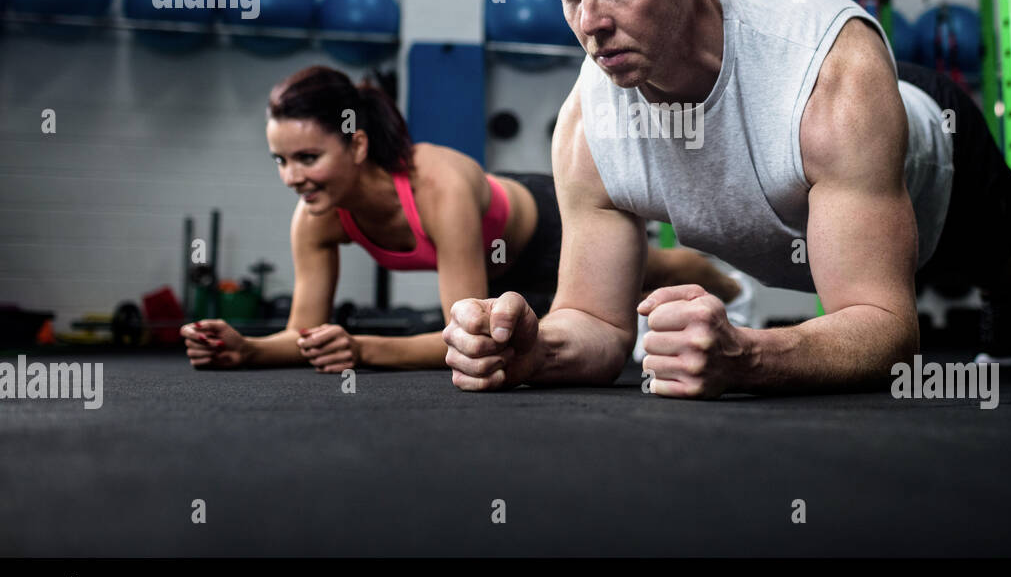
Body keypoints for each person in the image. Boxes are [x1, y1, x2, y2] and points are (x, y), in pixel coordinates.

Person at [441, 0, 1011, 398]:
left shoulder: (826, 69)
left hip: (934, 160)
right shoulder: (587, 127)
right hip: (846, 178)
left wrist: (747, 356)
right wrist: (535, 349)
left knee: (998, 260)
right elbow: (598, 325)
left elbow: (886, 326)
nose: (589, 22)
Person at [181, 65, 744, 372]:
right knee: (520, 336)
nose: (292, 177)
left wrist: (366, 347)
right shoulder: (317, 220)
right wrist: (248, 347)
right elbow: (304, 330)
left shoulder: (436, 185)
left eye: (307, 158)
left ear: (355, 146)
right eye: (280, 160)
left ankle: (737, 290)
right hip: (495, 282)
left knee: (656, 267)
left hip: (546, 227)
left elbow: (461, 330)